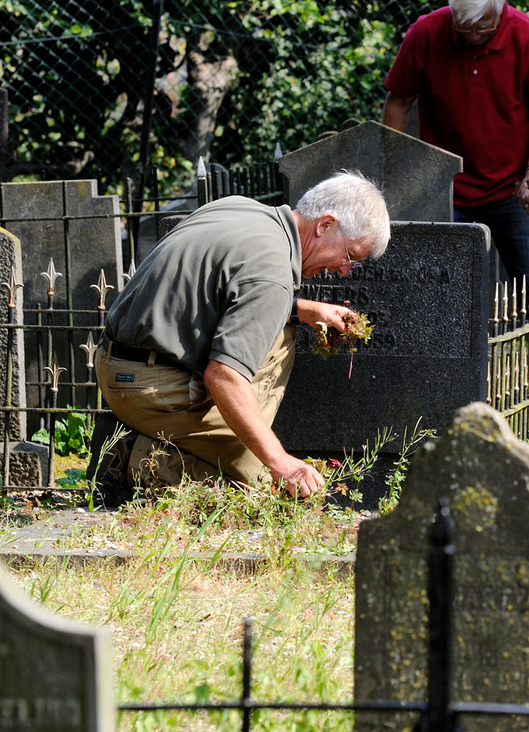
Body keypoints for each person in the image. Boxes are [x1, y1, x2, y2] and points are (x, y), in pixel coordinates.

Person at [380, 0, 529, 449]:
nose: (475, 34)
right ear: (452, 12)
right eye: (465, 26)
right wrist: (401, 176)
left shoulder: (527, 38)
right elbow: (397, 104)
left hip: (514, 193)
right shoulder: (426, 35)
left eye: (485, 25)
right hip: (445, 191)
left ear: (501, 6)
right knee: (435, 302)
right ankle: (431, 410)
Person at [95, 171, 391, 499]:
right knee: (270, 488)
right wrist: (280, 462)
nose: (344, 271)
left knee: (282, 336)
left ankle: (199, 440)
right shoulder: (274, 274)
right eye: (349, 256)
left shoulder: (243, 209)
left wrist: (302, 309)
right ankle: (133, 459)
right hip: (147, 388)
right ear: (325, 225)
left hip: (119, 361)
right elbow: (223, 376)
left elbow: (224, 293)